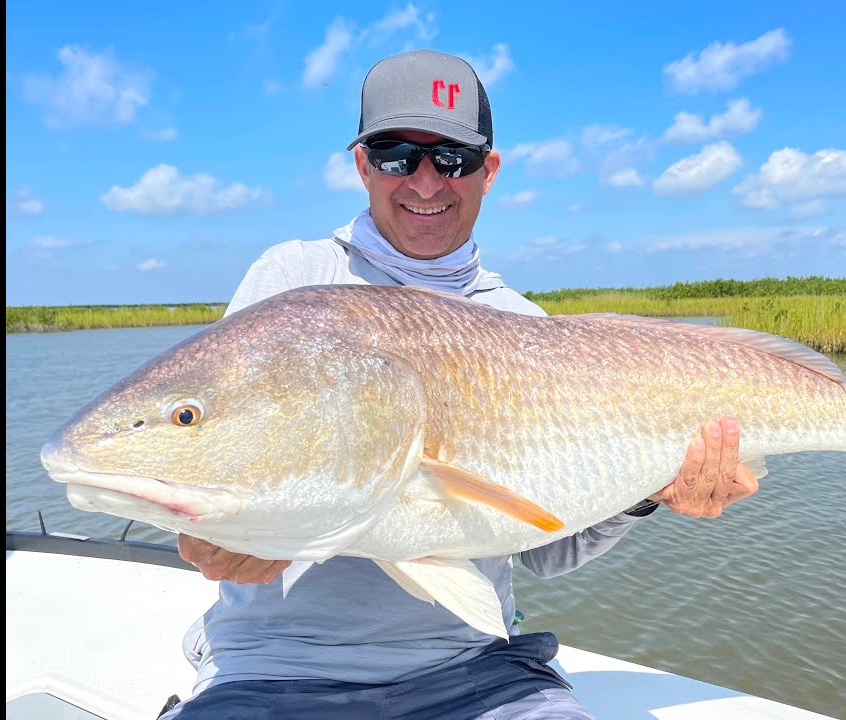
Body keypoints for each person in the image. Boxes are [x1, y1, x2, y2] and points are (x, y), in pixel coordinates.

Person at [160, 49, 760, 720]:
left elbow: (551, 548)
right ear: (362, 165)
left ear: (489, 171)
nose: (424, 182)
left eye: (452, 158)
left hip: (480, 671)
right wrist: (201, 538)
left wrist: (647, 490)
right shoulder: (294, 284)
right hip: (275, 671)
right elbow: (206, 441)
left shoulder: (525, 328)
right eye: (396, 155)